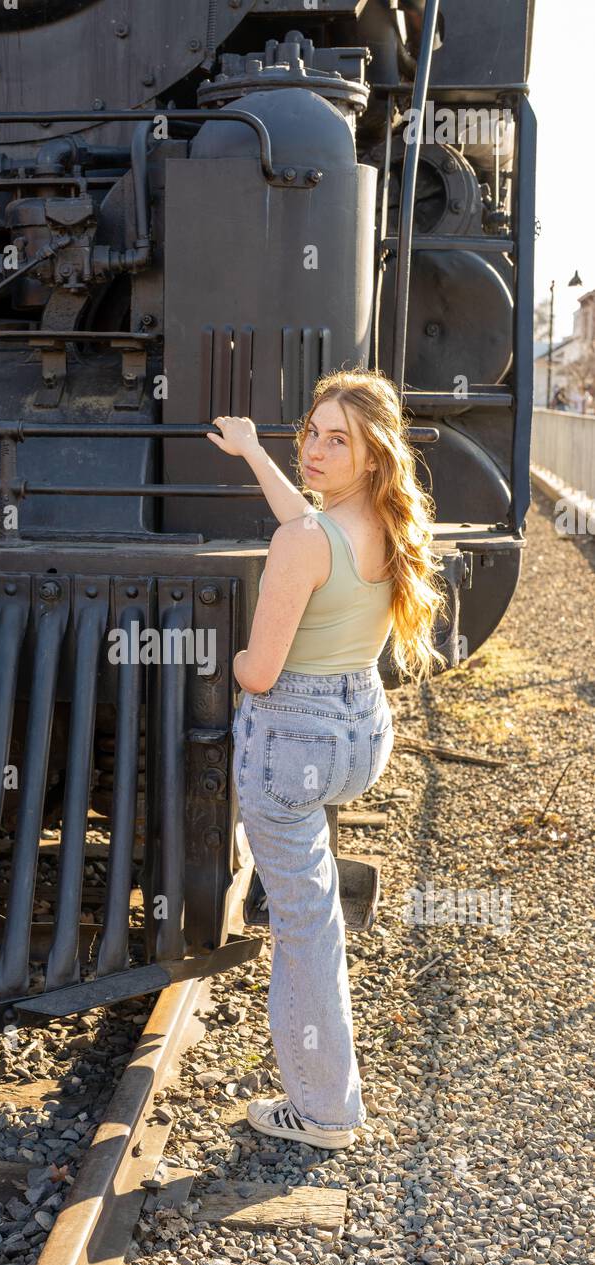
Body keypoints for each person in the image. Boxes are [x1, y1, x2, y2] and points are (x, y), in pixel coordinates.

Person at [206, 369, 448, 1151]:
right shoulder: (384, 523)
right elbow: (310, 527)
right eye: (311, 431)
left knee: (306, 926)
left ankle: (325, 1112)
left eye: (336, 439)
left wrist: (231, 660)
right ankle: (327, 1097)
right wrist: (251, 452)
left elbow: (260, 673)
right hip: (358, 739)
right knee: (312, 911)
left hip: (292, 746)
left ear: (371, 453)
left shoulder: (302, 543)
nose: (313, 448)